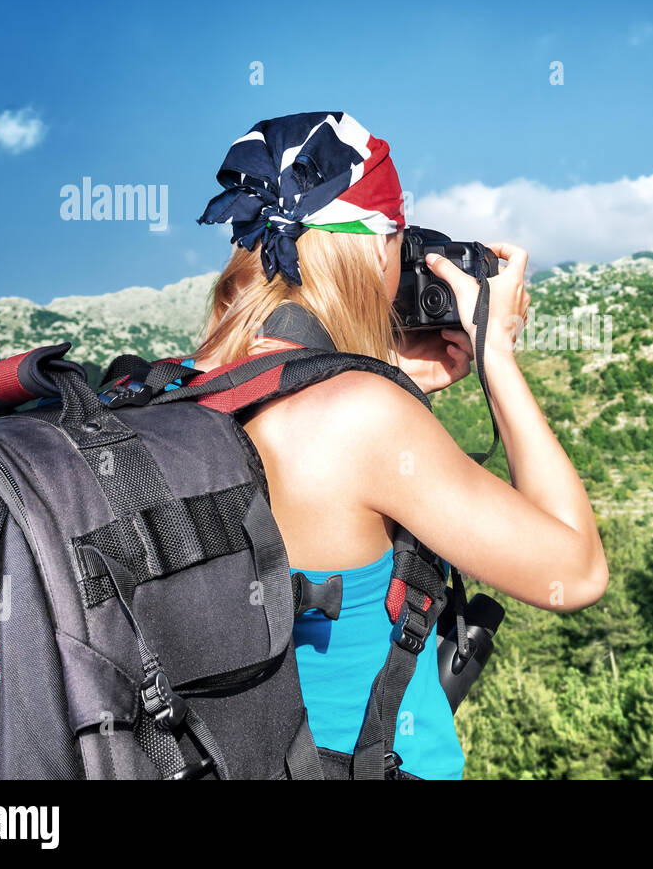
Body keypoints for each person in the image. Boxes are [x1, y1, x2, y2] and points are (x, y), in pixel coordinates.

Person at [189, 112, 607, 779]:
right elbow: (578, 570)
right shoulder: (364, 418)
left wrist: (383, 376)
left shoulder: (180, 391)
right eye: (398, 242)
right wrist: (496, 355)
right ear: (372, 248)